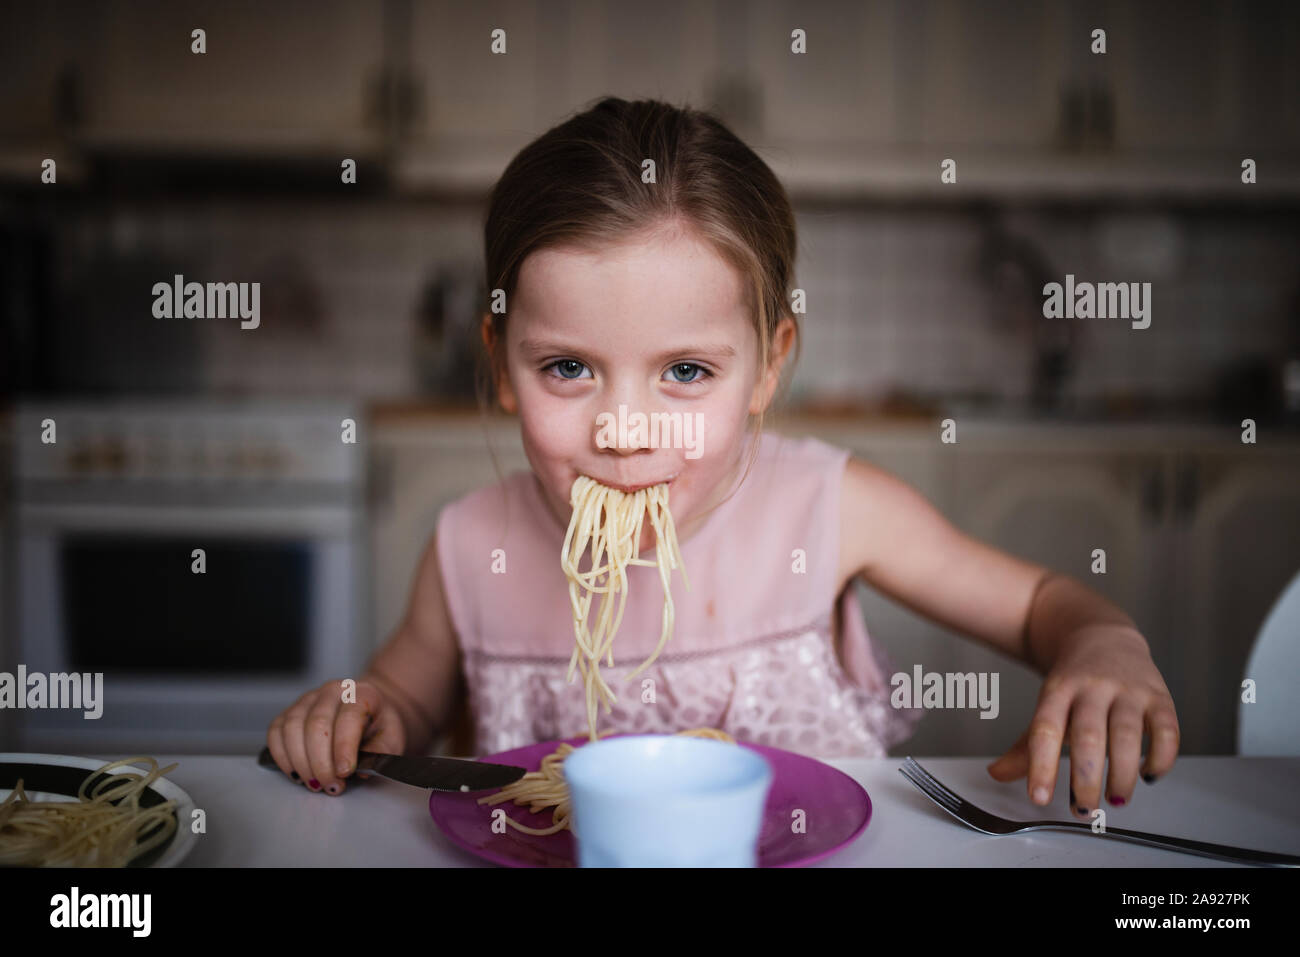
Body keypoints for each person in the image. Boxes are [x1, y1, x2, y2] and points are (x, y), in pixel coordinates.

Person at [266, 97, 1179, 821]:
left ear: (769, 364)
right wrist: (357, 712)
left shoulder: (833, 507)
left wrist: (1103, 641)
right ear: (502, 365)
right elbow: (399, 700)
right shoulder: (471, 545)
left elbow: (1039, 607)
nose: (626, 430)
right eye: (568, 368)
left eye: (687, 371)